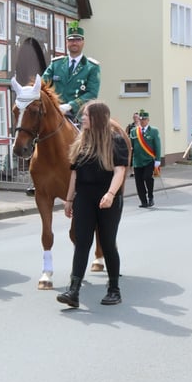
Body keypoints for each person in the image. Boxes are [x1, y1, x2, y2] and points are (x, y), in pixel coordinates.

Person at [57, 101, 128, 308]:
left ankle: (114, 289)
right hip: (84, 198)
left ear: (97, 117)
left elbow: (119, 171)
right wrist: (69, 200)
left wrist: (111, 194)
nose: (83, 118)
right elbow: (74, 173)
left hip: (108, 199)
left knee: (107, 244)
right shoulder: (81, 142)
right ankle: (74, 290)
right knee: (82, 242)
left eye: (86, 115)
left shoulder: (115, 141)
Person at [29, 21, 100, 196]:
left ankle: (93, 177)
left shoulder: (91, 67)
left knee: (90, 145)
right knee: (36, 136)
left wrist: (71, 105)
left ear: (82, 42)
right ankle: (37, 179)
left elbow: (92, 93)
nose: (73, 43)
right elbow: (44, 85)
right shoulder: (56, 64)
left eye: (77, 40)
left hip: (78, 115)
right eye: (70, 40)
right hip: (54, 113)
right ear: (66, 43)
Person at [129, 109, 161, 208]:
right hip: (137, 161)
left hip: (149, 160)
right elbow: (132, 146)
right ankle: (143, 201)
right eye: (141, 119)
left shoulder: (154, 131)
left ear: (148, 120)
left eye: (144, 119)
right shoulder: (134, 131)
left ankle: (150, 196)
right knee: (138, 182)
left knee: (147, 177)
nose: (142, 121)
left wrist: (158, 160)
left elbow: (157, 146)